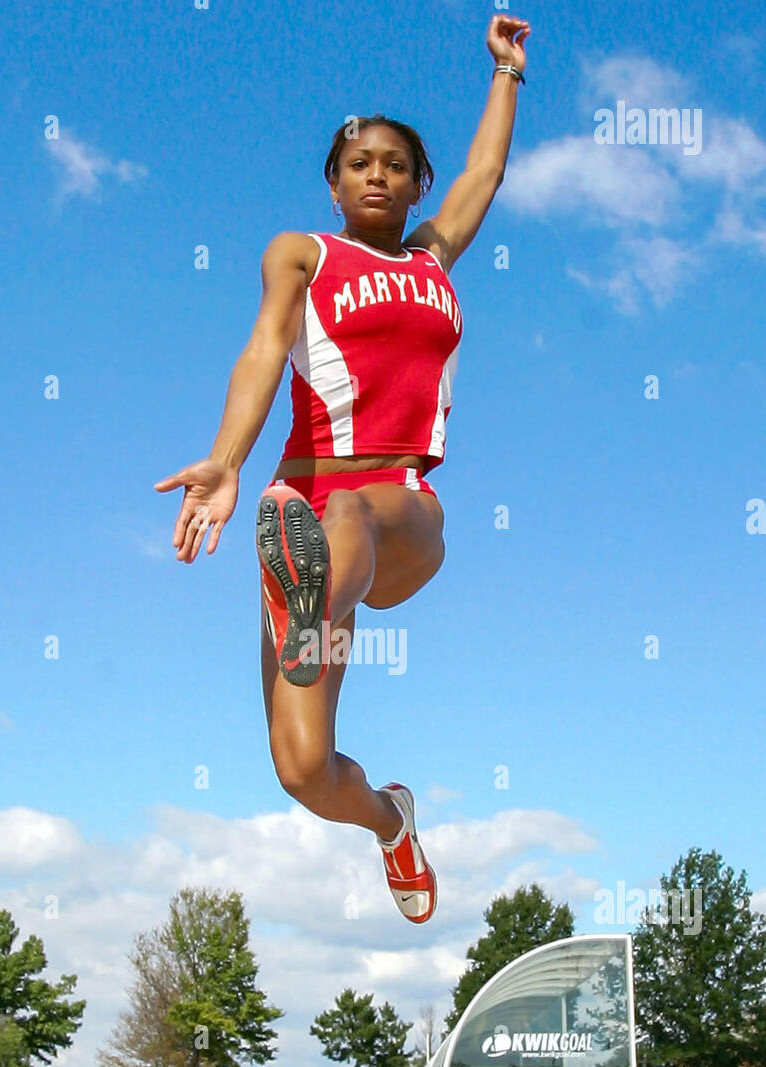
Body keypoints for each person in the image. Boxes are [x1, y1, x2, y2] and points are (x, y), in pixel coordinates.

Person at [155, 14, 530, 925]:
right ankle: (391, 821)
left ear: (417, 185)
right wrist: (227, 461)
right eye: (360, 164)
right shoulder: (303, 255)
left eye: (396, 165)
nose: (378, 175)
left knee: (356, 511)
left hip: (400, 504)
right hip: (301, 498)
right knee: (302, 770)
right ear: (333, 184)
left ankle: (312, 599)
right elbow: (263, 350)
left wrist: (506, 75)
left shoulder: (434, 255)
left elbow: (485, 174)